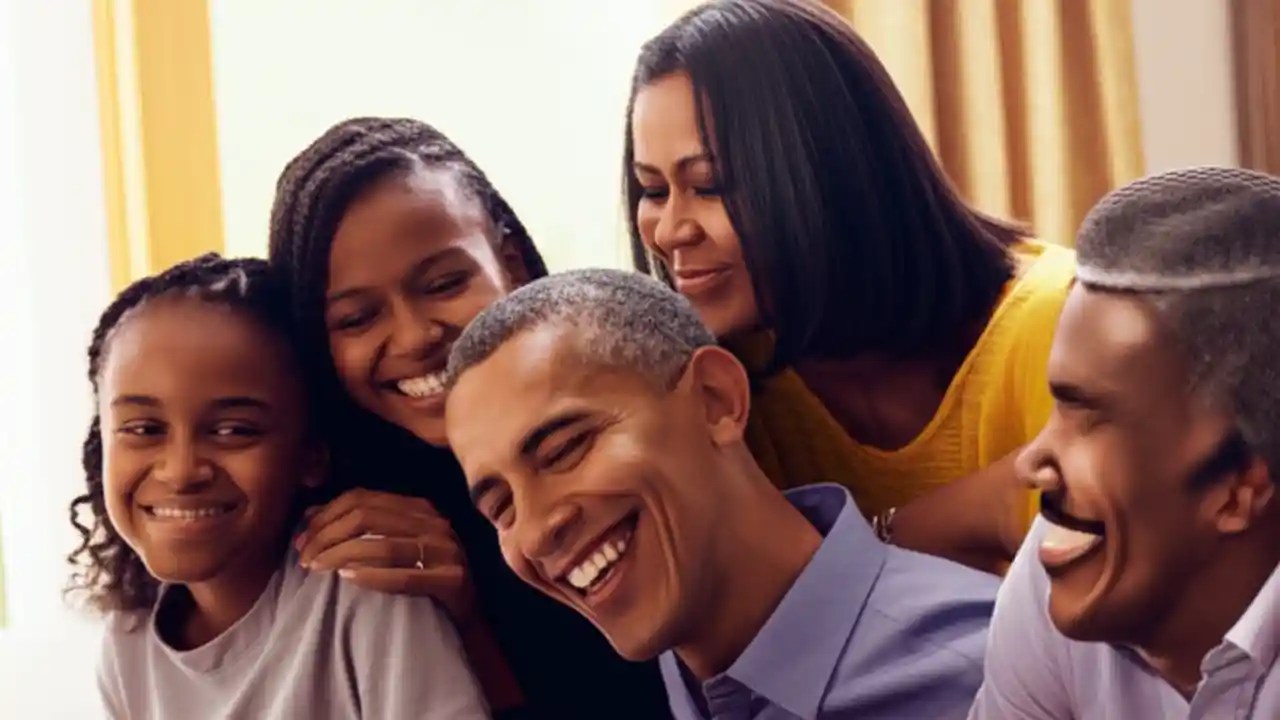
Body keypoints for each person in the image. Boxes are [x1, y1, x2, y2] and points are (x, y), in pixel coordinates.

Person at [625, 0, 1074, 574]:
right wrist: (950, 519)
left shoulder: (1060, 325)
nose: (669, 231)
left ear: (831, 172)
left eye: (709, 186)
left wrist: (862, 547)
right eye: (653, 191)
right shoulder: (727, 388)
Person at [445, 268, 1000, 719]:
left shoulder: (981, 680)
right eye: (502, 507)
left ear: (715, 400)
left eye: (564, 450)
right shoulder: (676, 675)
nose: (538, 532)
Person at [268, 117, 669, 717]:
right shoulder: (347, 516)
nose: (414, 335)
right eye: (356, 319)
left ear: (512, 265)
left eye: (445, 282)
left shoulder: (627, 425)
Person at [68, 254, 487, 718]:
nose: (181, 471)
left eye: (234, 430)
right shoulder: (129, 640)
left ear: (311, 453)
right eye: (144, 429)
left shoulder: (370, 592)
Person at [970, 167, 1280, 719]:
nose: (1030, 462)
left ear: (1238, 492)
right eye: (1056, 410)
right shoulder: (1067, 563)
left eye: (1090, 418)